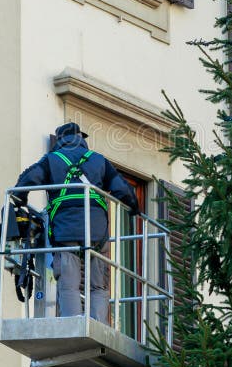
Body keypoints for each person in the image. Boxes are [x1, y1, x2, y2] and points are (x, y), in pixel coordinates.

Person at [15, 122, 139, 321]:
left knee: (69, 284)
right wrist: (134, 207)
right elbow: (122, 189)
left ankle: (72, 323)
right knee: (99, 285)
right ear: (81, 138)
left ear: (60, 140)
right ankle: (98, 323)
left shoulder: (52, 160)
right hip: (97, 233)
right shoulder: (98, 160)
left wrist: (20, 200)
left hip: (66, 232)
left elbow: (26, 180)